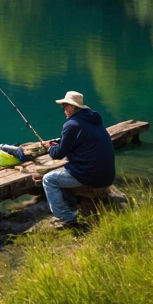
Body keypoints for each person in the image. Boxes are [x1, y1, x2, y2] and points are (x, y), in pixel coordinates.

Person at [41, 91, 115, 228]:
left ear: (73, 107)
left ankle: (65, 217)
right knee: (64, 173)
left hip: (91, 175)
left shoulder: (71, 125)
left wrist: (49, 148)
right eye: (62, 106)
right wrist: (57, 143)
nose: (63, 109)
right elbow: (76, 142)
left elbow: (57, 154)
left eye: (65, 106)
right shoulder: (93, 120)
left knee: (48, 179)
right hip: (108, 176)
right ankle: (71, 206)